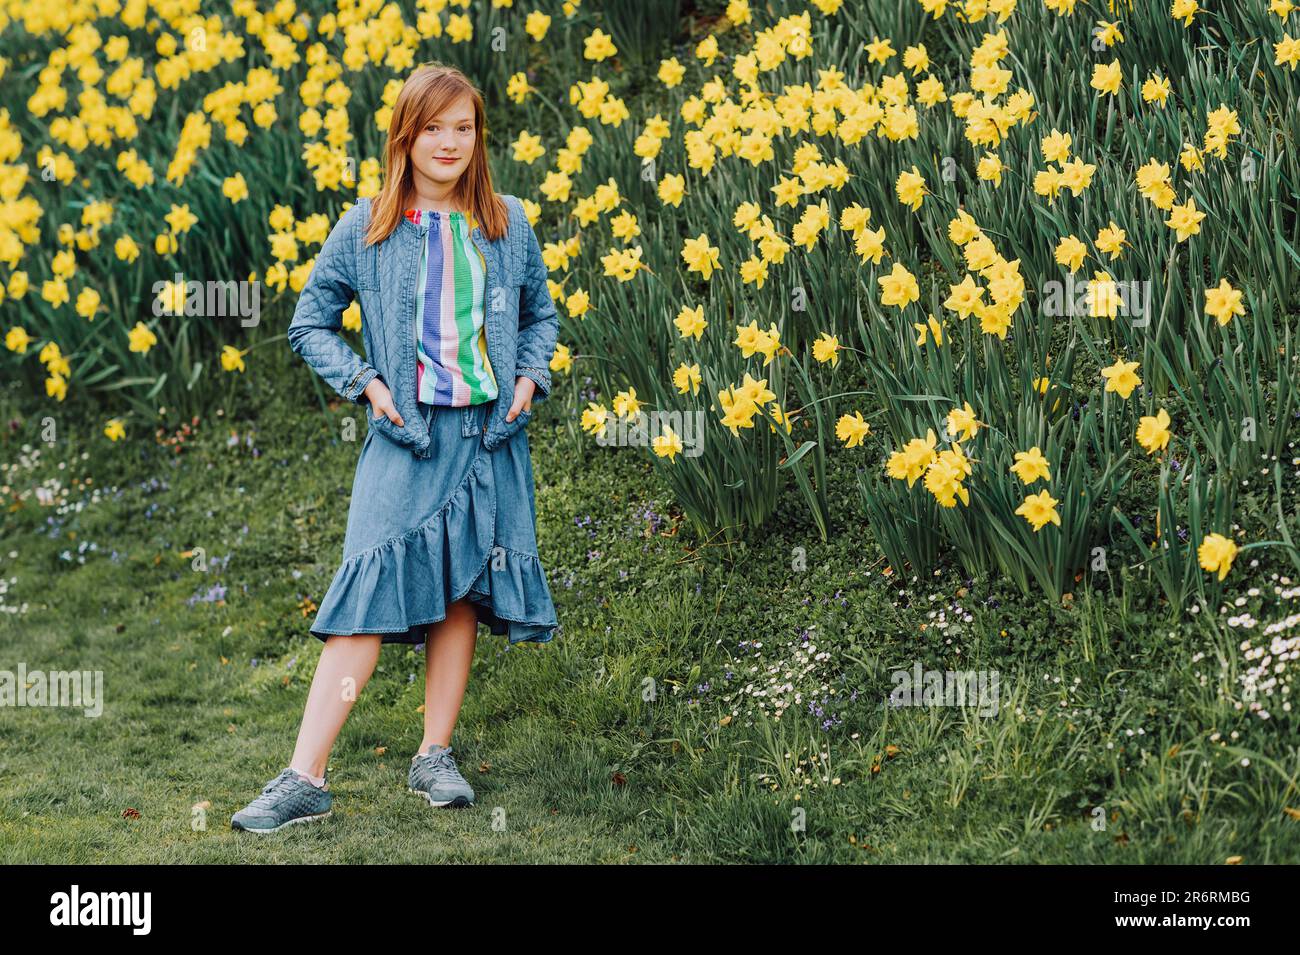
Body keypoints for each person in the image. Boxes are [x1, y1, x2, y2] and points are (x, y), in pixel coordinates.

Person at [232, 62, 560, 833]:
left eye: (464, 127)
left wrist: (528, 380)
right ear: (404, 137)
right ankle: (304, 775)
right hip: (406, 443)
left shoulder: (507, 222)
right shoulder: (368, 226)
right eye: (433, 127)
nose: (449, 142)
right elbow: (310, 322)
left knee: (458, 597)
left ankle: (433, 753)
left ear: (478, 137)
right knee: (363, 606)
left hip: (486, 439)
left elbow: (540, 316)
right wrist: (368, 385)